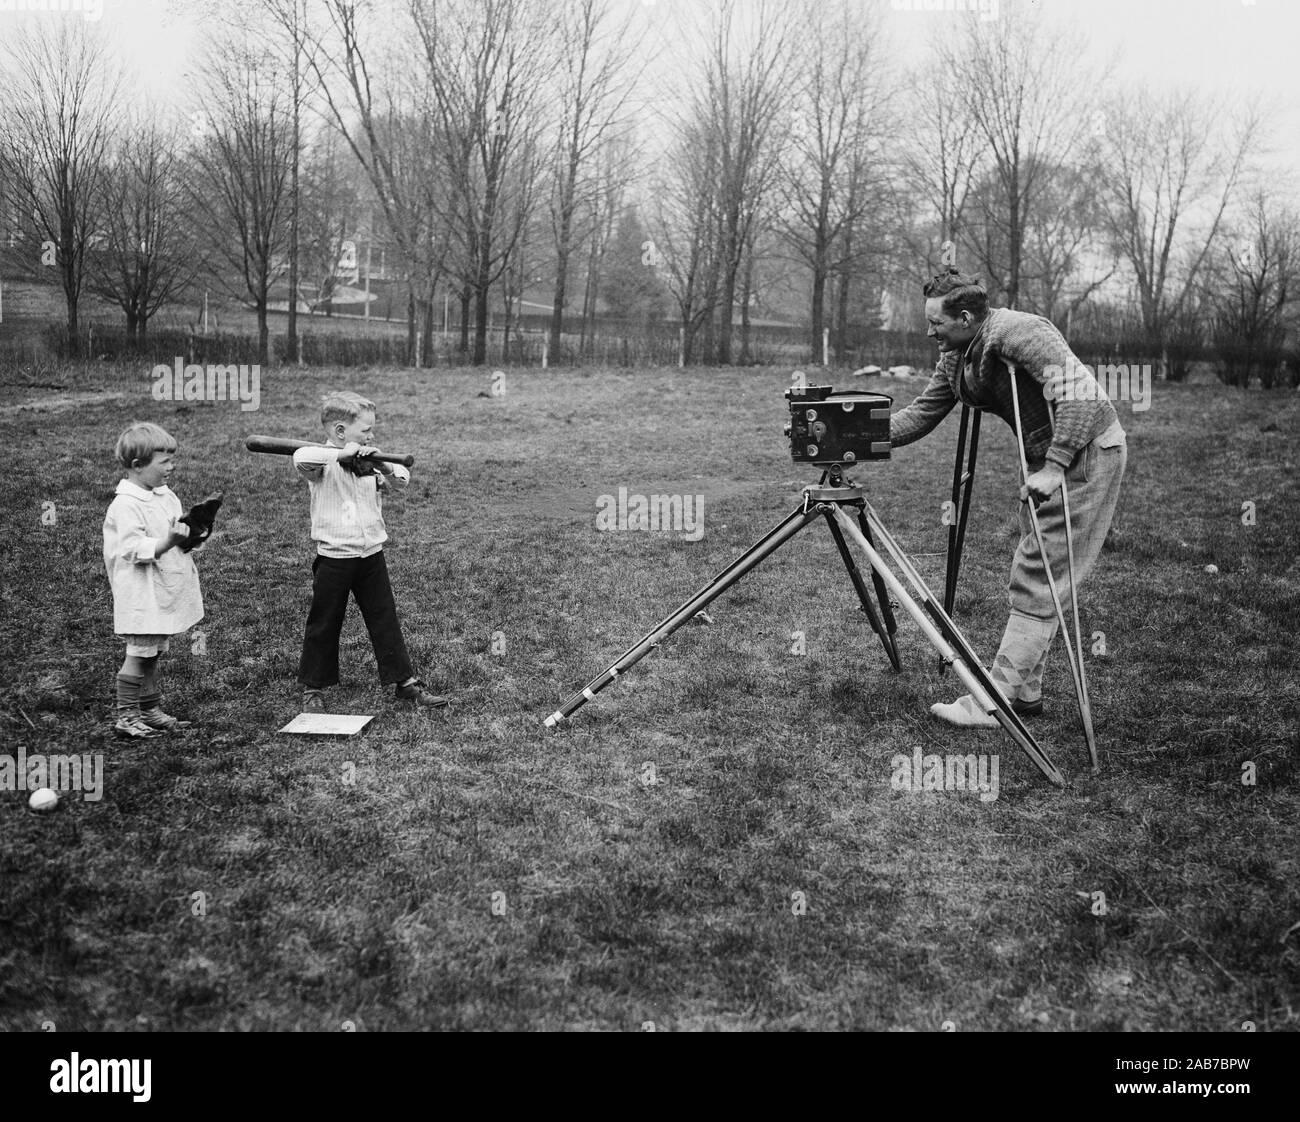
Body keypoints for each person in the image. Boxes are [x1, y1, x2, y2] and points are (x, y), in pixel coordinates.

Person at [889, 269, 1127, 727]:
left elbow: (1079, 395)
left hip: (1084, 453)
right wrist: (854, 435)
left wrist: (1056, 466)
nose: (928, 332)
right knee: (1039, 568)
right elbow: (921, 413)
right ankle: (1024, 693)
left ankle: (990, 701)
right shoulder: (958, 353)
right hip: (1044, 460)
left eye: (935, 323)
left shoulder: (1020, 332)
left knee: (1040, 573)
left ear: (963, 317)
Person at [294, 391, 447, 711]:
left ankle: (404, 682)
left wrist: (382, 465)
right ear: (339, 431)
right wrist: (342, 454)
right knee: (324, 622)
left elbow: (402, 479)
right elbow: (301, 458)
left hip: (371, 553)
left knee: (384, 617)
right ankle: (313, 688)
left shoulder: (372, 459)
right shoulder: (319, 459)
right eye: (365, 430)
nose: (371, 434)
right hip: (335, 556)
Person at [103, 422, 205, 738]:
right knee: (138, 654)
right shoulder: (126, 504)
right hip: (141, 594)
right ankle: (127, 716)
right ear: (137, 466)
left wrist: (192, 535)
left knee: (153, 652)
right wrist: (169, 541)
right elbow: (133, 550)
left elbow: (176, 535)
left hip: (162, 589)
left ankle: (149, 709)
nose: (171, 467)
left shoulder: (164, 495)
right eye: (164, 462)